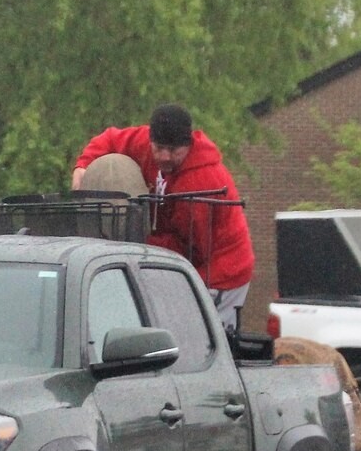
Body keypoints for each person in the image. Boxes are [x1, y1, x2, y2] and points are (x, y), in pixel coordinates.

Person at [73, 104, 255, 330]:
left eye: (174, 150)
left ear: (188, 146)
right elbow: (109, 139)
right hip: (188, 254)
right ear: (151, 140)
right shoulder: (144, 145)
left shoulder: (200, 180)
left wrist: (134, 238)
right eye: (159, 148)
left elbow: (191, 250)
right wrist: (83, 165)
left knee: (200, 337)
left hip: (220, 272)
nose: (165, 156)